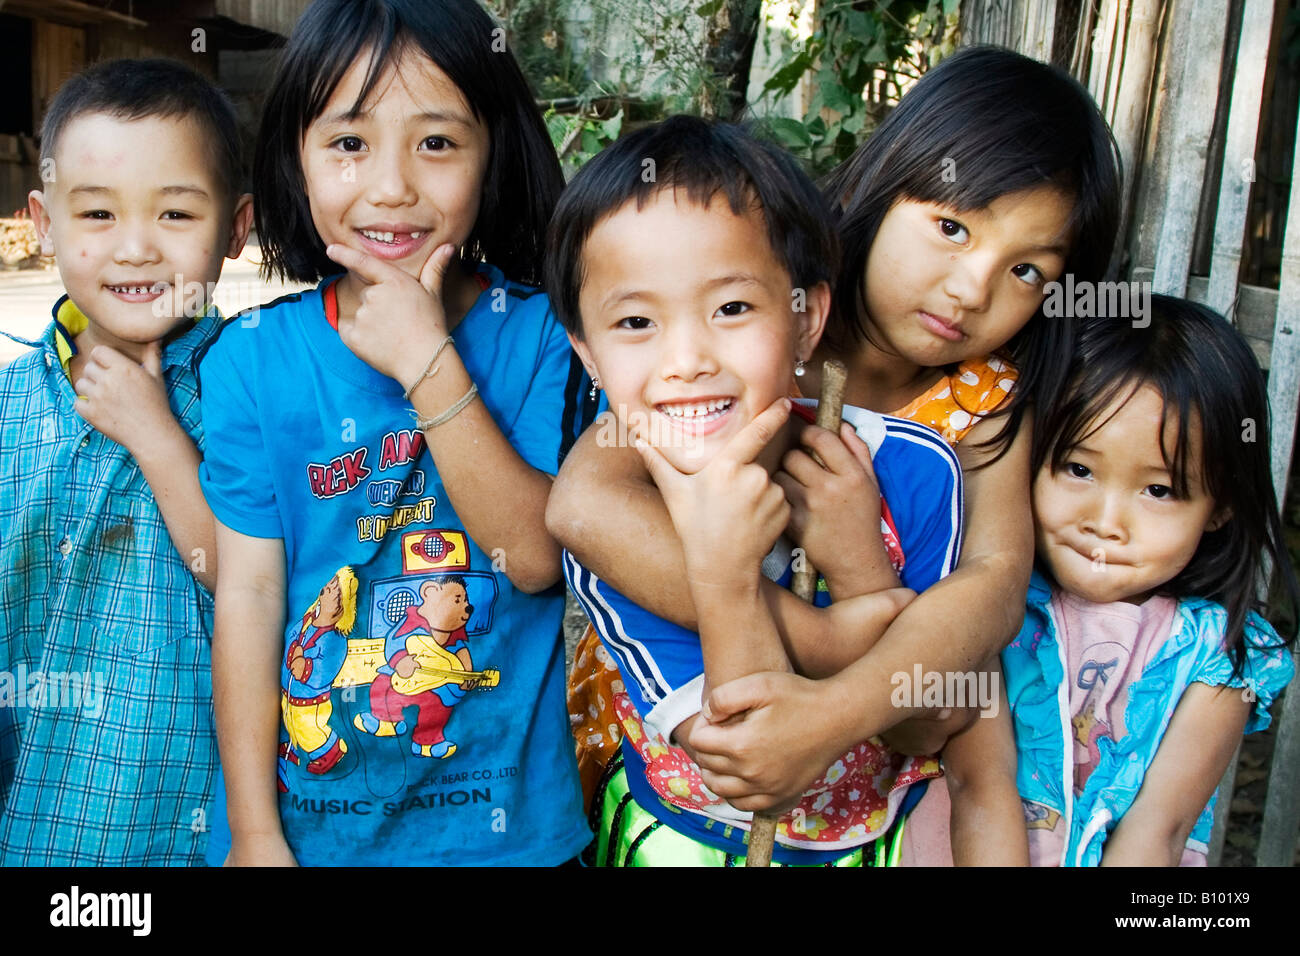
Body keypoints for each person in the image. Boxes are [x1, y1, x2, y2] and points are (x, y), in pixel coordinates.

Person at [548, 45, 1121, 865]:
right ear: (880, 186)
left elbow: (992, 592)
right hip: (674, 767)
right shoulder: (739, 330)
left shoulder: (986, 400)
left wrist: (836, 707)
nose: (970, 289)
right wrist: (812, 632)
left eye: (1027, 270)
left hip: (852, 791)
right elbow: (582, 506)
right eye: (951, 228)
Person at [197, 0, 595, 866]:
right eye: (348, 143)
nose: (391, 187)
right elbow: (251, 598)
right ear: (293, 161)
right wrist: (256, 833)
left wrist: (427, 361)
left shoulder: (536, 337)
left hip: (503, 838)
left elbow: (529, 560)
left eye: (437, 142)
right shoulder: (252, 364)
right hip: (306, 834)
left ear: (493, 157)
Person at [547, 115, 973, 864]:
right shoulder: (621, 533)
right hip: (684, 840)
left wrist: (858, 564)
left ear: (807, 320)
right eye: (637, 321)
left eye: (732, 309)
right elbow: (757, 774)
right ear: (588, 353)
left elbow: (926, 726)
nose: (686, 360)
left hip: (875, 842)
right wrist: (720, 567)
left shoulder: (914, 471)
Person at [0, 58, 253, 864]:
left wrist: (156, 437)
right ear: (43, 223)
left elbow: (245, 575)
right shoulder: (9, 406)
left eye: (176, 213)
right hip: (31, 826)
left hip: (183, 830)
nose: (137, 248)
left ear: (237, 228)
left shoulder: (250, 393)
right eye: (98, 214)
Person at [1003, 297, 1296, 865]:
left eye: (1158, 490)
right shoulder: (991, 594)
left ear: (1220, 506)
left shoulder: (1216, 658)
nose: (1106, 524)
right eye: (1079, 469)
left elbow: (1157, 832)